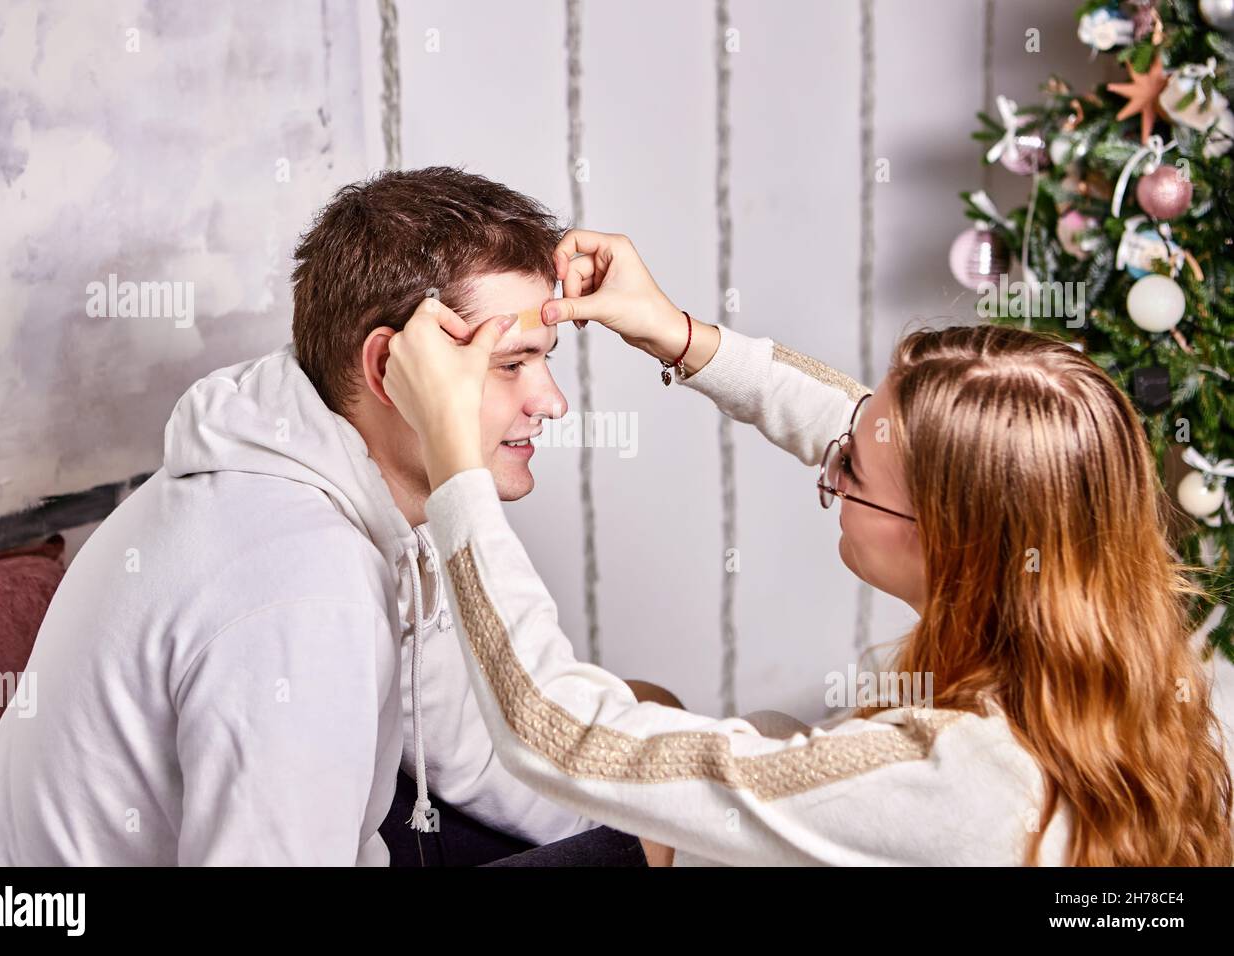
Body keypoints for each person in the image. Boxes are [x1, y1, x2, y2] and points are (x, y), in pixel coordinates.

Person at [382, 228, 1234, 866]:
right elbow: (876, 432)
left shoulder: (965, 784)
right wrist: (678, 334)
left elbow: (557, 733)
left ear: (951, 538)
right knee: (716, 721)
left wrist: (455, 455)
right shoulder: (1120, 653)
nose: (830, 471)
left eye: (847, 475)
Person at [0, 169, 671, 866]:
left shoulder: (319, 446)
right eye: (512, 364)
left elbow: (461, 730)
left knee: (648, 734)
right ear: (389, 367)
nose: (552, 403)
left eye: (543, 361)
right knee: (650, 833)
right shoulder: (305, 588)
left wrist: (625, 790)